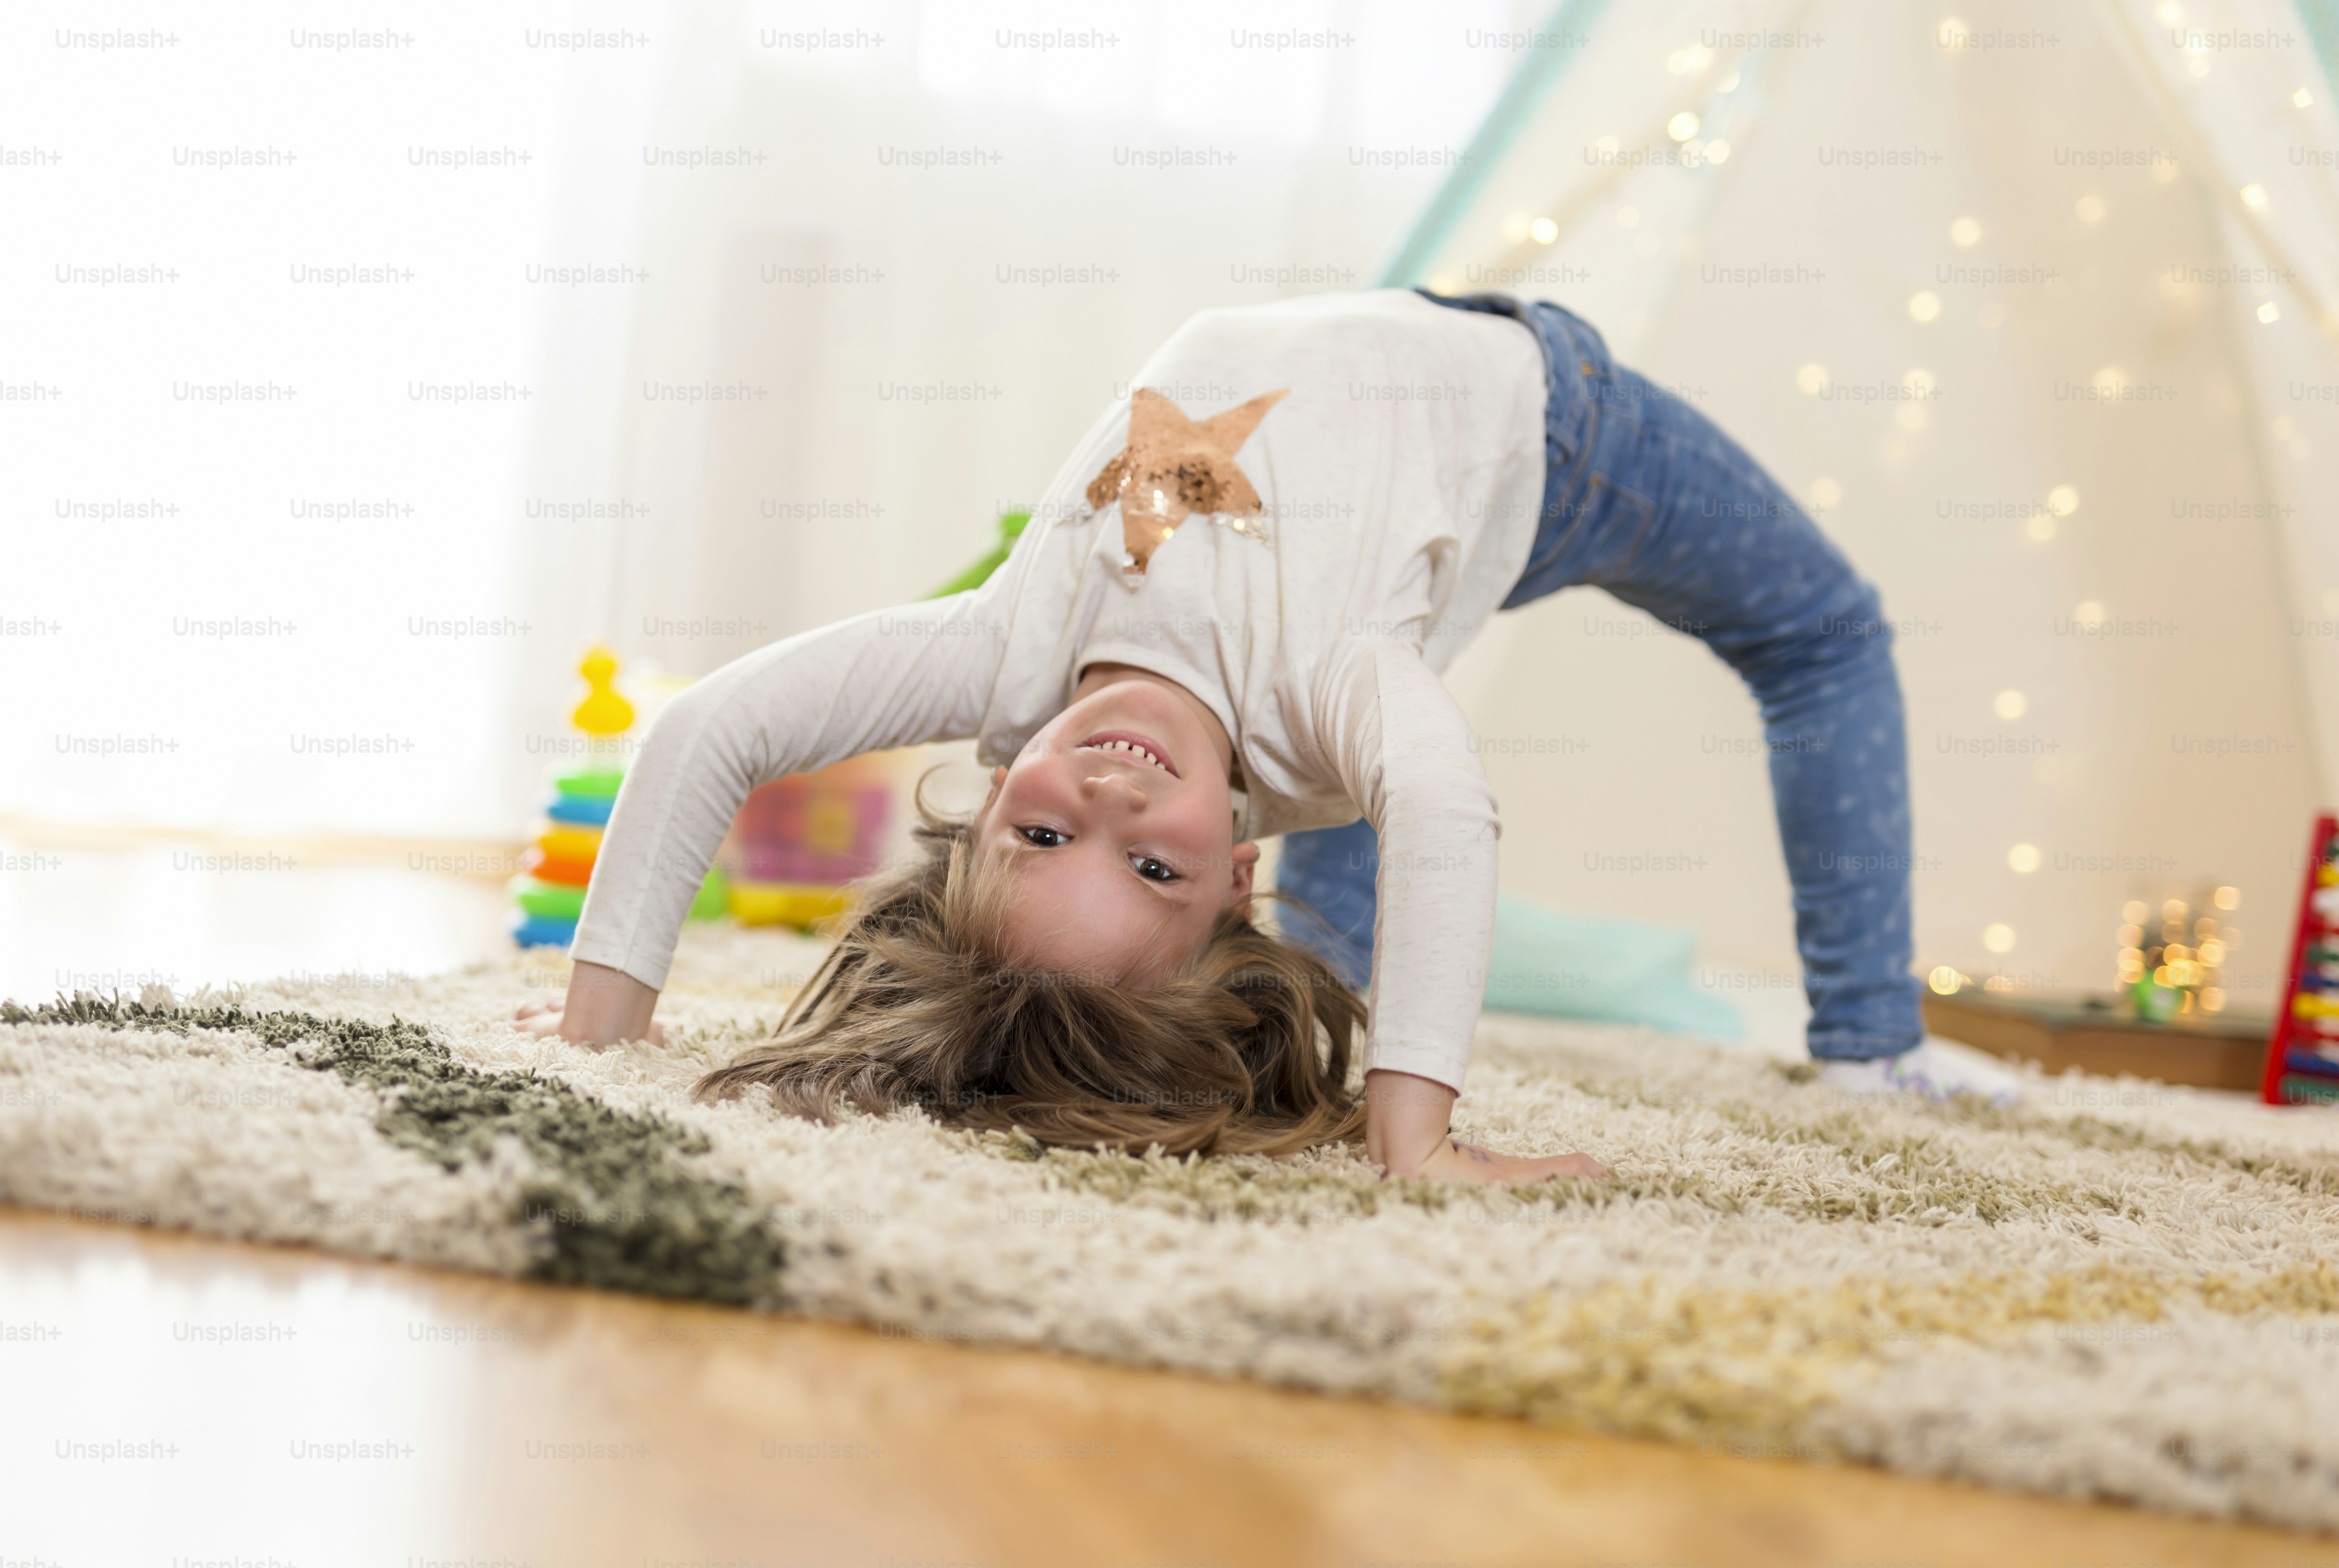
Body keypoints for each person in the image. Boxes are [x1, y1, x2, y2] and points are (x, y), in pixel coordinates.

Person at [513, 288, 2014, 1187]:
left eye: (1042, 834)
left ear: (984, 804)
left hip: (1422, 363)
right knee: (1821, 635)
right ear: (1236, 876)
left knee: (1374, 818)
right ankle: (1878, 1054)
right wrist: (1413, 1134)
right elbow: (1444, 811)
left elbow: (708, 728)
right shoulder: (1328, 685)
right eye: (1150, 871)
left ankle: (1859, 1031)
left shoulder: (999, 655)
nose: (1108, 789)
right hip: (1551, 431)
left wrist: (608, 1030)